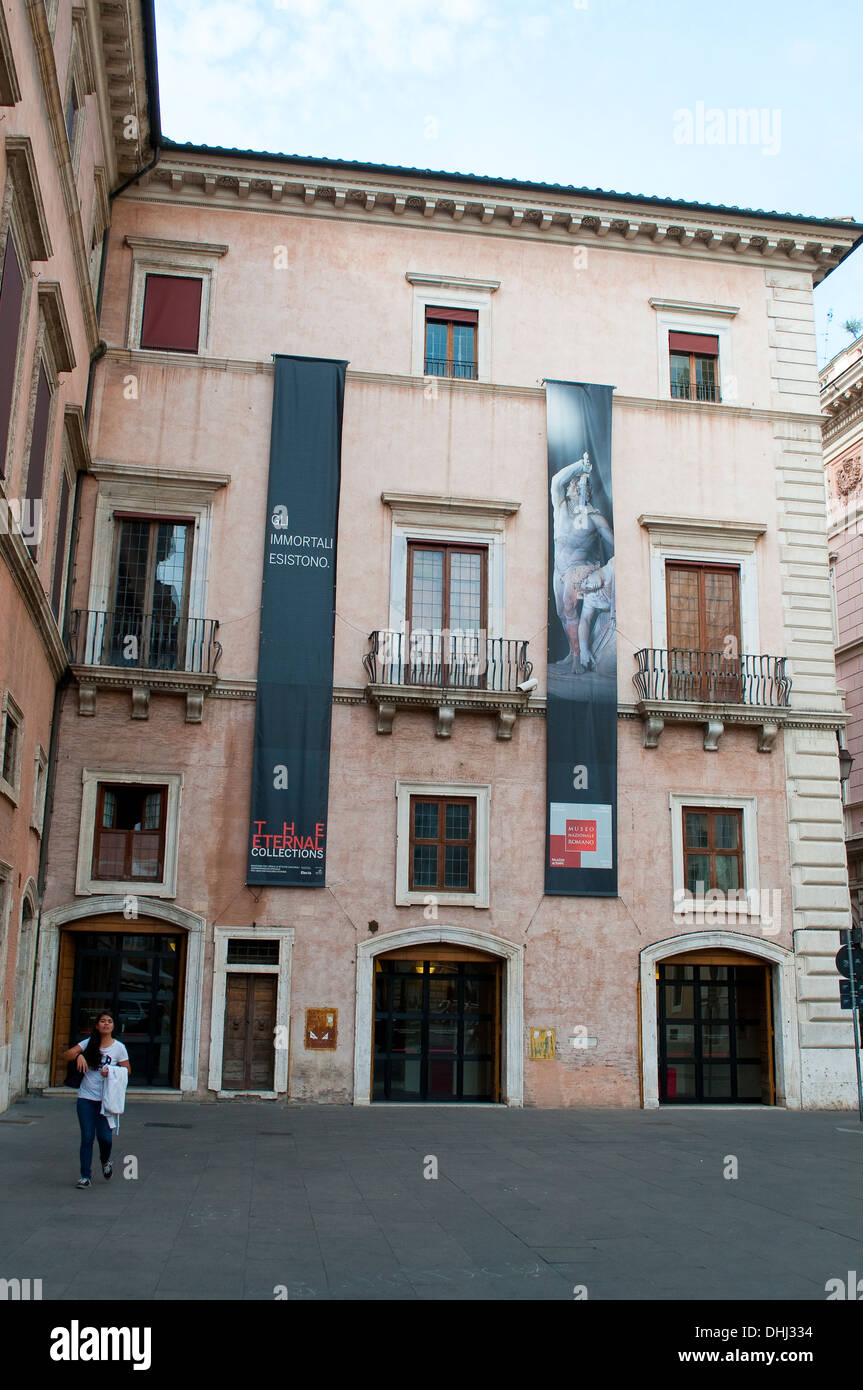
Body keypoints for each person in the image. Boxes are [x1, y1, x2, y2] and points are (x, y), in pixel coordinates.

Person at [550, 452, 614, 672]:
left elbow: (614, 543)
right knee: (561, 613)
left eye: (584, 488)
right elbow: (556, 480)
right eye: (576, 487)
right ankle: (572, 652)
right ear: (569, 489)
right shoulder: (560, 506)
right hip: (560, 570)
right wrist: (580, 466)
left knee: (570, 604)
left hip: (583, 569)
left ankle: (578, 658)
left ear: (588, 493)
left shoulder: (595, 517)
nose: (579, 491)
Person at [62, 1012, 130, 1189]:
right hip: (86, 1097)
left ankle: (105, 1160)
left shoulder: (119, 1048)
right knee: (87, 1137)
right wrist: (79, 1056)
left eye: (109, 1021)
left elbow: (127, 1070)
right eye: (102, 1021)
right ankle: (85, 1176)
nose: (106, 1024)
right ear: (97, 1025)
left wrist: (112, 1071)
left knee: (105, 1138)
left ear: (114, 1026)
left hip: (105, 1099)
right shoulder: (88, 1043)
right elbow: (66, 1055)